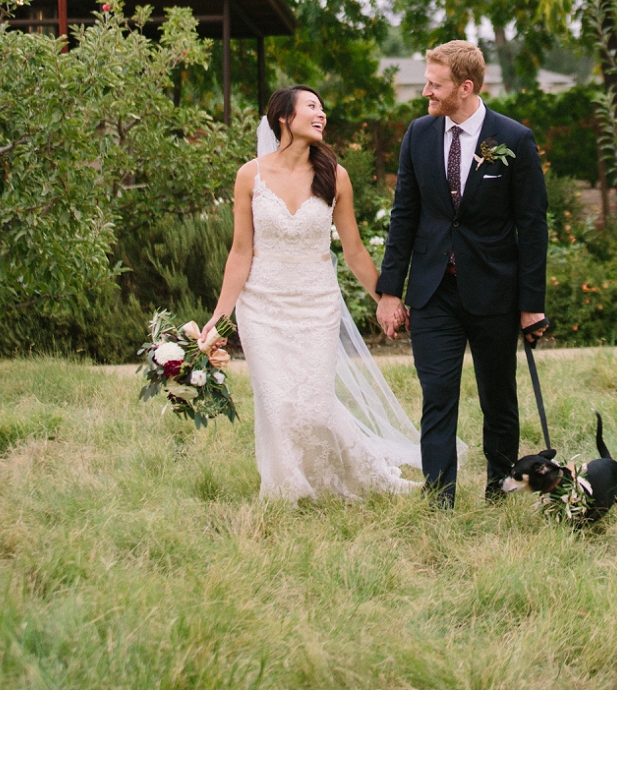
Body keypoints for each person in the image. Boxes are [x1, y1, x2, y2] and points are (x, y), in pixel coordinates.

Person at [202, 85, 419, 502]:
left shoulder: (335, 176)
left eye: (323, 108)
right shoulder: (250, 175)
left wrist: (386, 299)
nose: (322, 115)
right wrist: (220, 316)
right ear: (284, 117)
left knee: (315, 405)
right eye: (312, 107)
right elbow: (240, 251)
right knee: (278, 403)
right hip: (261, 305)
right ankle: (289, 490)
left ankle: (355, 476)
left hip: (316, 304)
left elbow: (354, 250)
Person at [376, 40, 549, 506]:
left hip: (494, 291)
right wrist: (390, 291)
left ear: (465, 87)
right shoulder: (418, 134)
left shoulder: (513, 139)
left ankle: (499, 491)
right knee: (437, 395)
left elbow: (533, 225)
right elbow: (404, 215)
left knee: (498, 397)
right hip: (433, 292)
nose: (426, 92)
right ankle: (439, 499)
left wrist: (531, 305)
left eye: (435, 85)